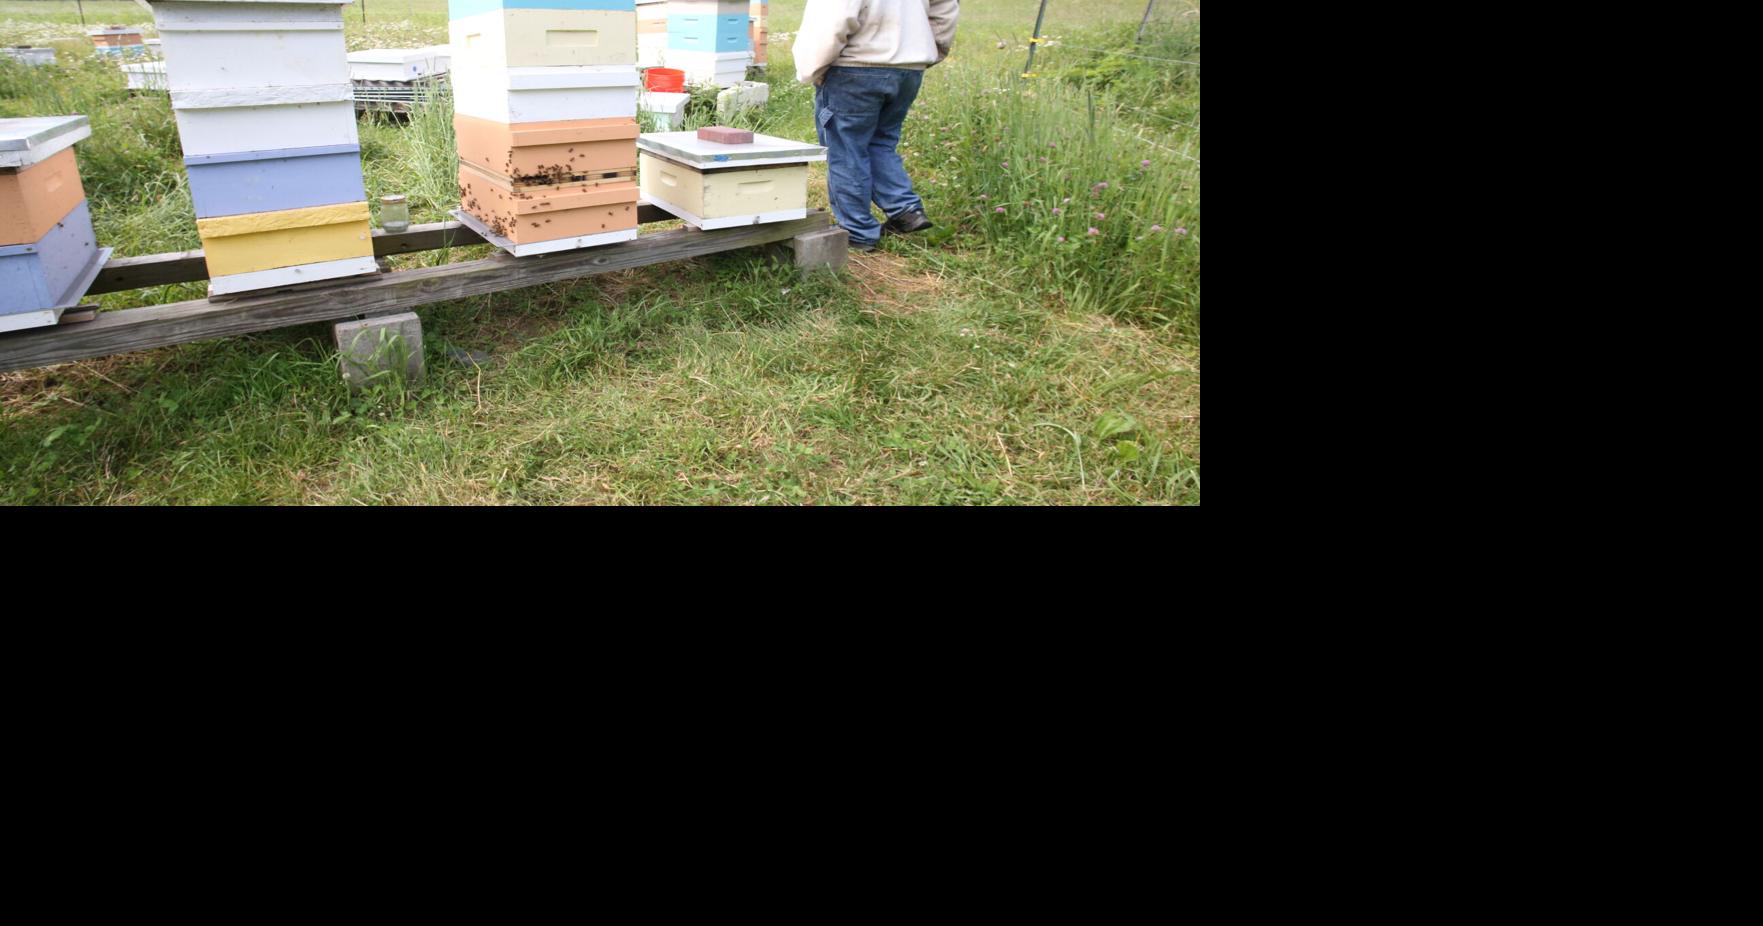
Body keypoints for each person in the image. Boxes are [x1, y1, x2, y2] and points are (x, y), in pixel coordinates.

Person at [795, 1, 959, 251]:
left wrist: (812, 69)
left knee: (845, 150)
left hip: (856, 66)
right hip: (909, 68)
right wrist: (925, 52)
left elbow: (835, 17)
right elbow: (945, 12)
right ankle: (905, 209)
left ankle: (858, 233)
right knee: (881, 143)